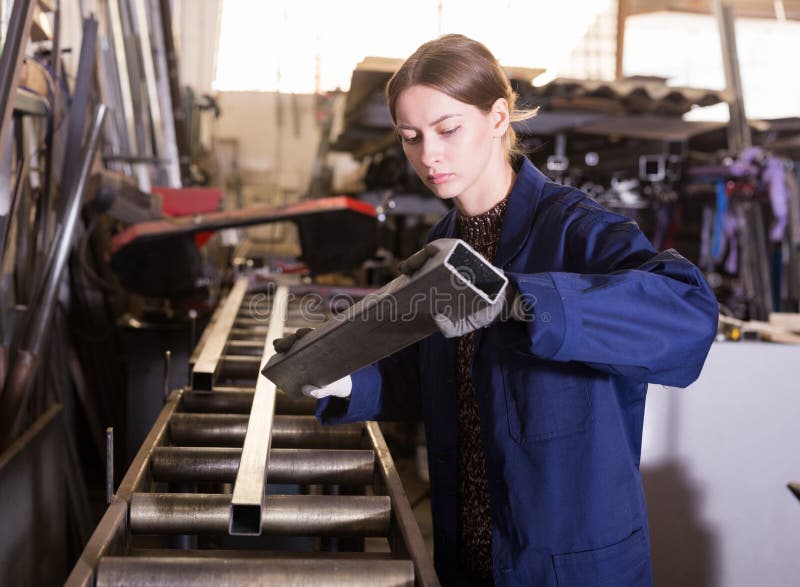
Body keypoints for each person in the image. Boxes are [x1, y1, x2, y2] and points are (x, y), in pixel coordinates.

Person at [274, 34, 718, 587]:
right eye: (410, 137)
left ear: (498, 117)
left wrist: (522, 299)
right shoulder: (443, 245)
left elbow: (689, 316)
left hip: (568, 560)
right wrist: (344, 378)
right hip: (472, 547)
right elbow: (443, 379)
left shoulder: (575, 229)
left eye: (447, 129)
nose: (428, 155)